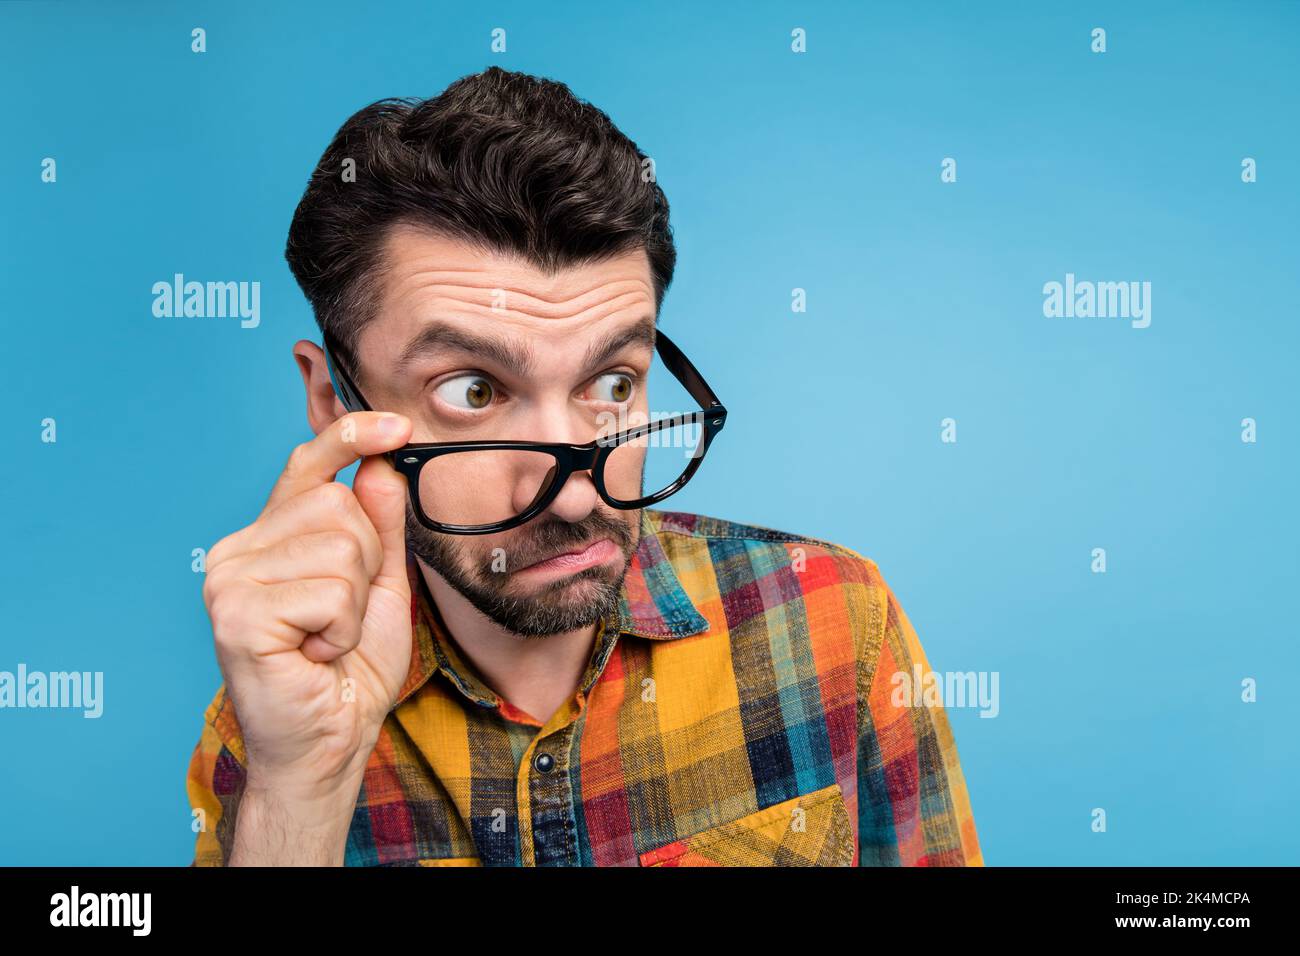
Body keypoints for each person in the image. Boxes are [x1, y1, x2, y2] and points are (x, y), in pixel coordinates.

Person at [185, 66, 982, 867]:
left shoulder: (833, 624)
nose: (571, 497)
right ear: (334, 402)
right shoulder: (279, 716)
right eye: (474, 390)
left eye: (612, 383)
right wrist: (303, 790)